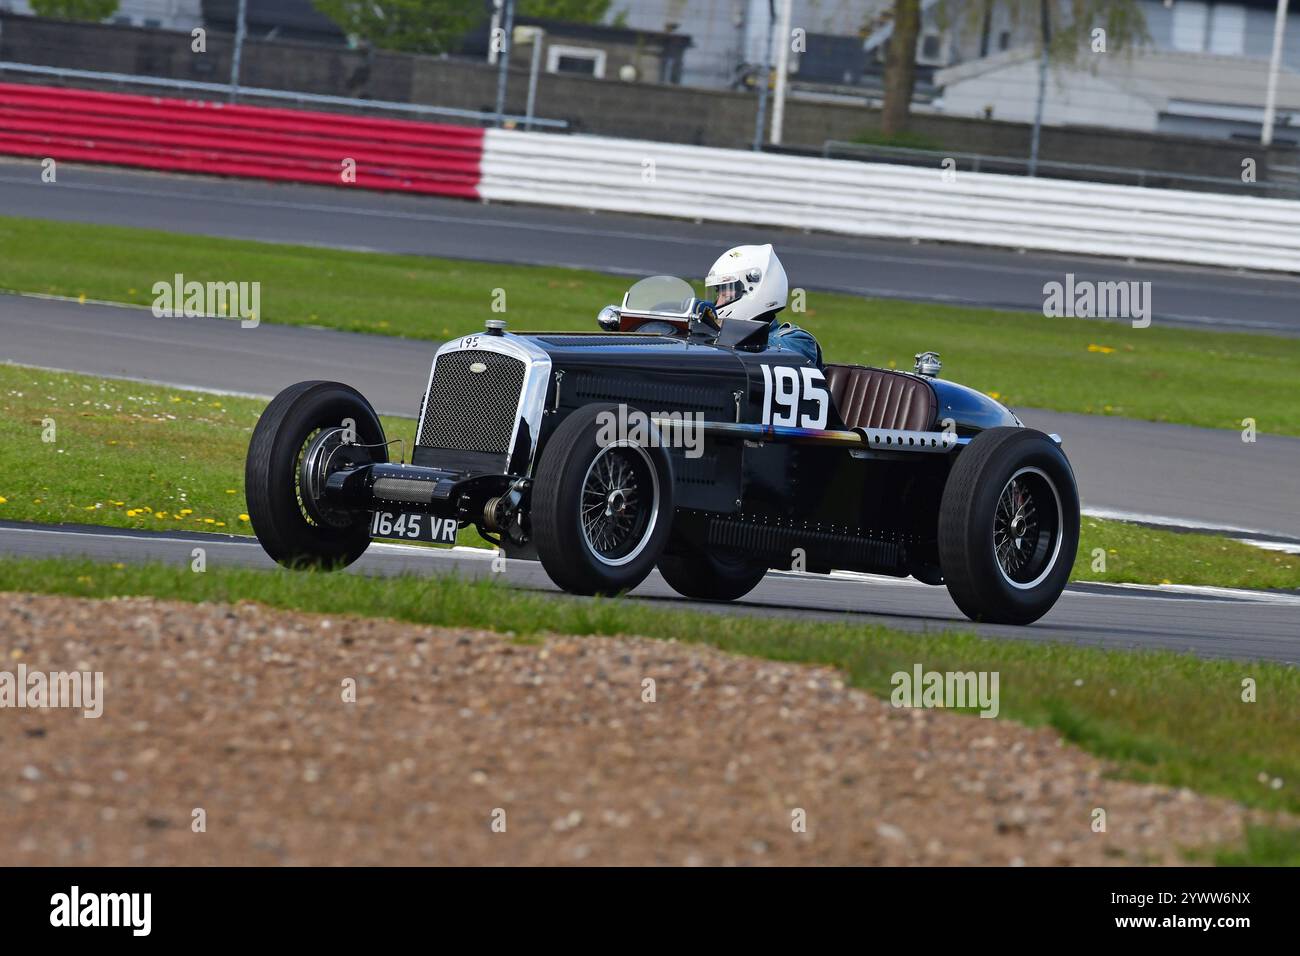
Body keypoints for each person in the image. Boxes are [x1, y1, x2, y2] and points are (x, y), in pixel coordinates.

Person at [703, 244, 821, 366]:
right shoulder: (718, 335)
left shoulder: (798, 340)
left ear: (755, 288)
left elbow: (779, 352)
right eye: (719, 293)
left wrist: (725, 330)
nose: (718, 303)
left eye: (725, 293)